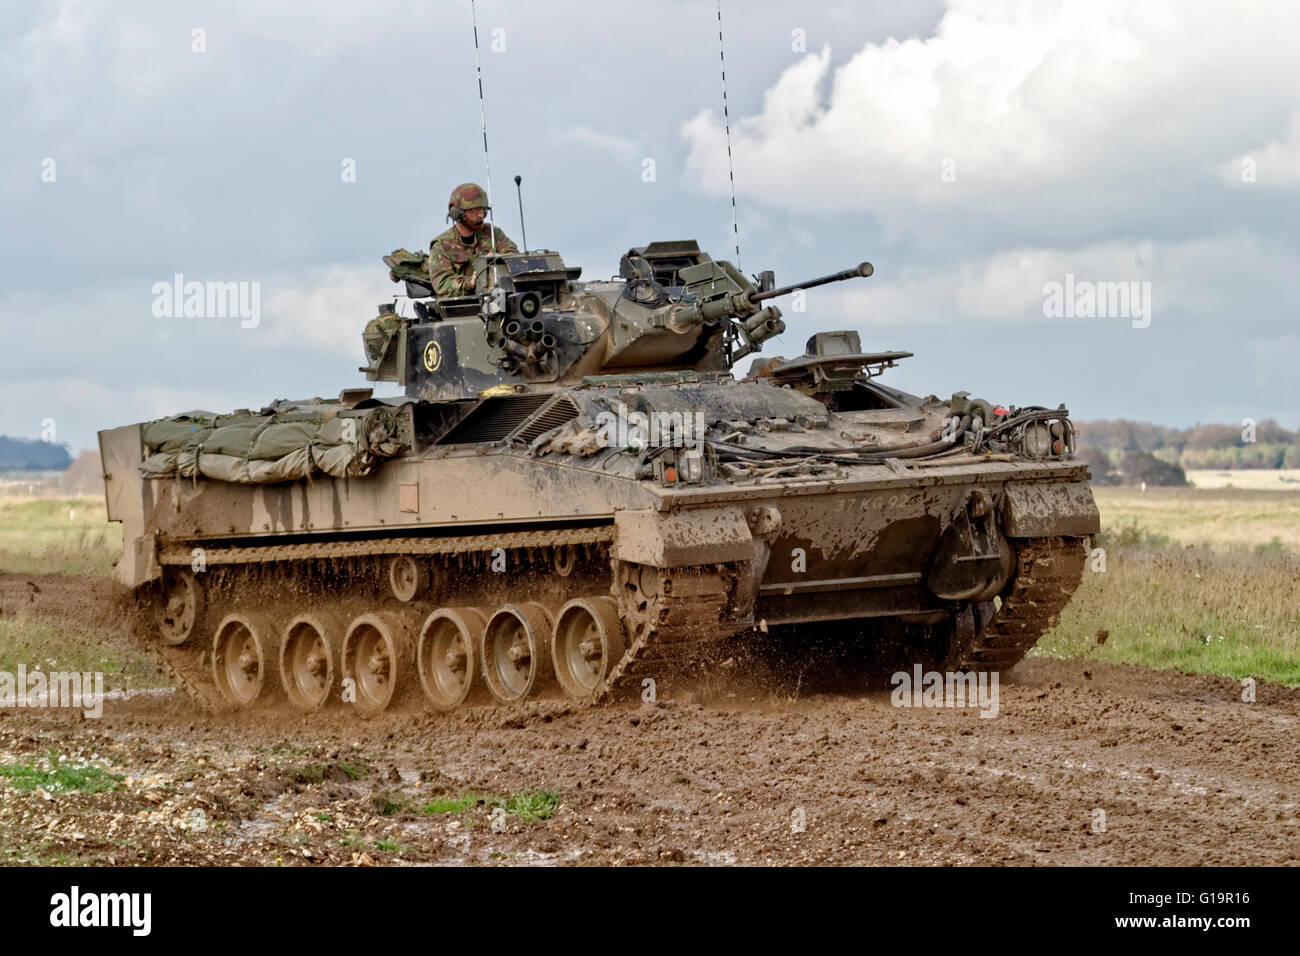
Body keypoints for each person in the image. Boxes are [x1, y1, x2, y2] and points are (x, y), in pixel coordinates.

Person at [428, 183, 518, 296]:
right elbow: (442, 284)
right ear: (458, 214)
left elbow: (512, 253)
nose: (480, 215)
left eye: (482, 210)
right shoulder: (442, 246)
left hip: (497, 299)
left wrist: (499, 258)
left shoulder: (493, 234)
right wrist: (470, 283)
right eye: (474, 211)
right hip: (461, 307)